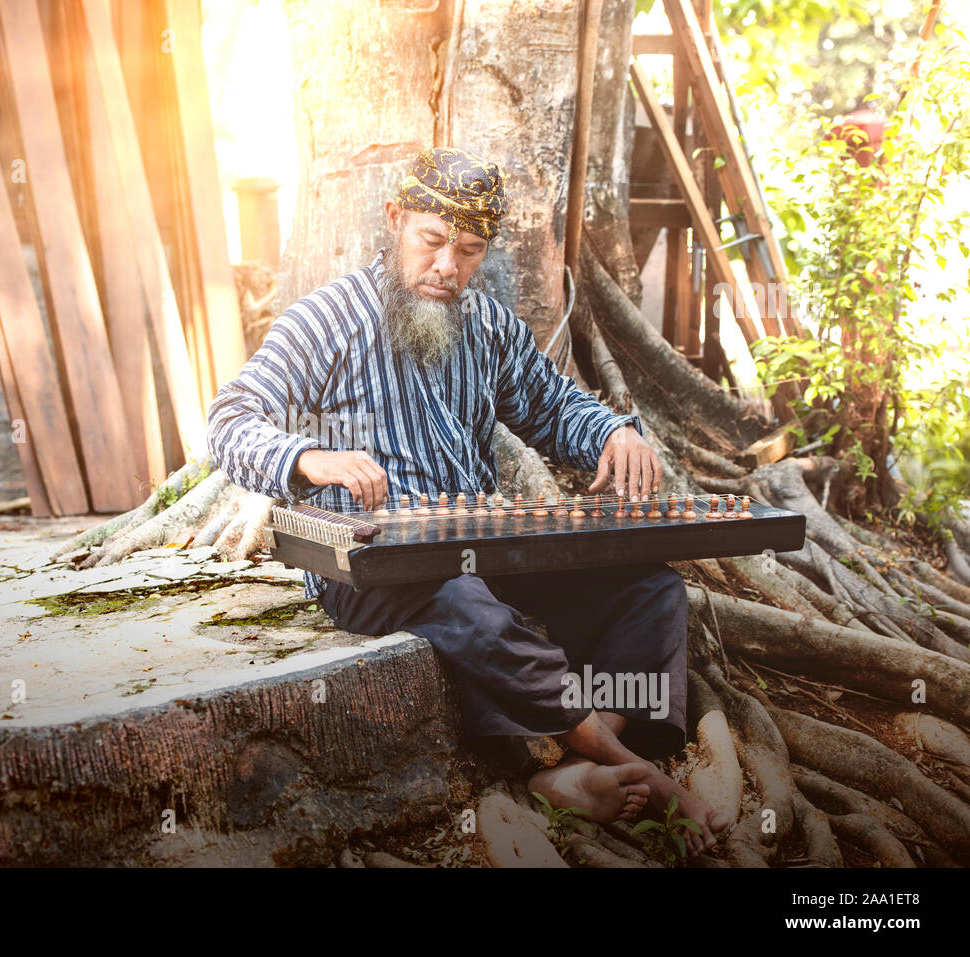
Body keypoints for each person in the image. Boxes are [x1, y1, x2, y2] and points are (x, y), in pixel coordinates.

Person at [207, 146, 730, 854]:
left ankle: (576, 765)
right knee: (469, 610)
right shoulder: (327, 319)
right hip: (370, 568)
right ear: (395, 220)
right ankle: (633, 773)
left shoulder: (485, 325)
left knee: (652, 591)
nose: (447, 266)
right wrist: (309, 456)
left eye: (469, 249)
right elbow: (230, 420)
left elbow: (554, 409)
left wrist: (612, 434)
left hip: (472, 545)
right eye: (431, 241)